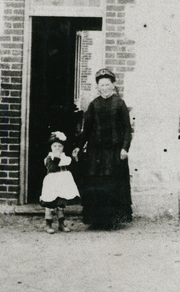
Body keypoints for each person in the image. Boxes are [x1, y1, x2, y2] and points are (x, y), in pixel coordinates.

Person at [75, 68, 133, 230]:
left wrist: (125, 148)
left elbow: (127, 129)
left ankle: (111, 221)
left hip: (114, 151)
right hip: (96, 152)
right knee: (96, 184)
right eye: (102, 85)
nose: (105, 88)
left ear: (113, 85)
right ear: (98, 87)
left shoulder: (119, 103)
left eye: (108, 84)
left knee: (112, 184)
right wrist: (78, 147)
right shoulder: (94, 105)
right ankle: (96, 220)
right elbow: (87, 130)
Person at [39, 131, 80, 234]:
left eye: (60, 146)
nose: (57, 148)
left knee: (61, 203)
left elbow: (72, 167)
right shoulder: (49, 157)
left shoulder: (65, 157)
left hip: (63, 181)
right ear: (51, 147)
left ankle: (61, 223)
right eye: (55, 146)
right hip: (52, 182)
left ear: (63, 147)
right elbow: (52, 168)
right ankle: (48, 224)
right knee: (50, 202)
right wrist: (56, 158)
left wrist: (74, 158)